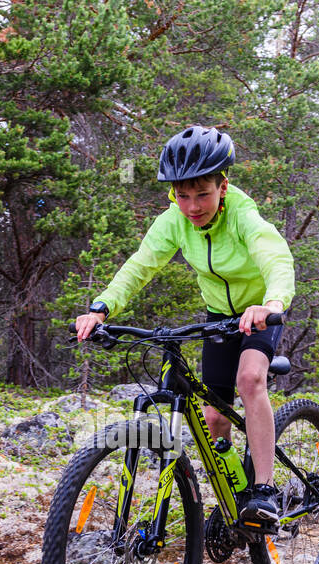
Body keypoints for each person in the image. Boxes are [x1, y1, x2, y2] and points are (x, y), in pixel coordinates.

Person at [74, 125, 295, 527]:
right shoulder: (174, 219)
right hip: (219, 317)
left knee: (249, 380)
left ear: (223, 186)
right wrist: (101, 307)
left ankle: (263, 490)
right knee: (214, 417)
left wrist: (272, 302)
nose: (192, 206)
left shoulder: (243, 215)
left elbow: (274, 256)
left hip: (259, 312)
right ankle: (234, 498)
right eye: (182, 195)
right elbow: (140, 266)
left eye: (202, 194)